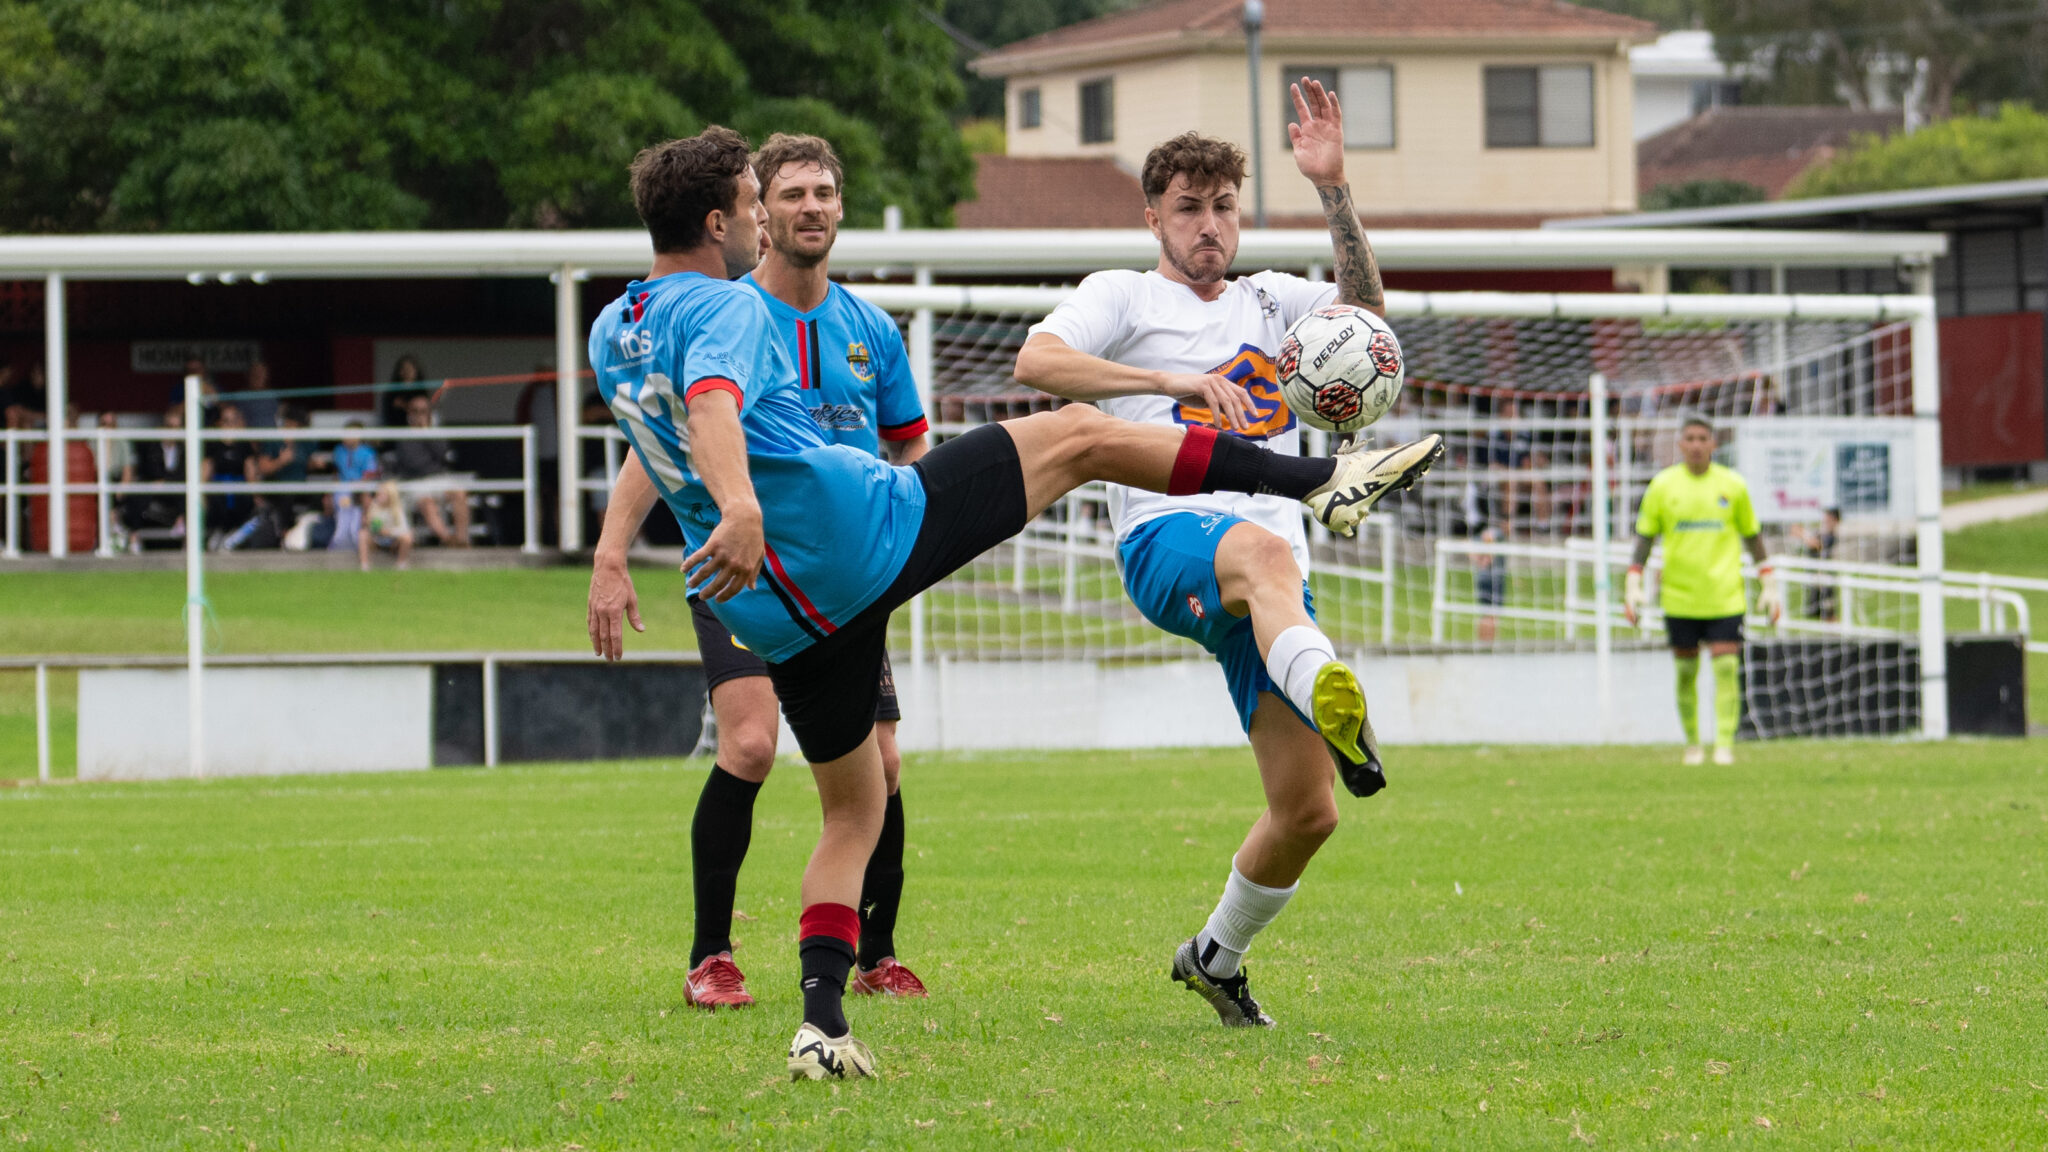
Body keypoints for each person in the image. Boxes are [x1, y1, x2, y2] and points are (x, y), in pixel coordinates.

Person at [582, 126, 1443, 1080]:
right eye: (755, 201)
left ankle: (821, 1024)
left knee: (853, 810)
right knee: (1079, 435)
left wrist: (635, 543)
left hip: (780, 613)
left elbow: (666, 429)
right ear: (720, 219)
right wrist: (743, 505)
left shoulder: (613, 326)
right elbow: (709, 406)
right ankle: (1318, 479)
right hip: (858, 534)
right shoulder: (733, 311)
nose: (762, 217)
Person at [1013, 85, 1397, 1031]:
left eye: (1223, 206)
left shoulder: (1273, 299)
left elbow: (1370, 318)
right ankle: (1326, 684)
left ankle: (1215, 956)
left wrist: (1334, 186)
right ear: (1154, 216)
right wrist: (1164, 378)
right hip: (1169, 541)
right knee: (1266, 546)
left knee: (1308, 815)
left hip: (1269, 585)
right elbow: (1037, 361)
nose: (1209, 225)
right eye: (1189, 207)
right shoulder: (1124, 295)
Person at [590, 133, 932, 1013]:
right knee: (749, 743)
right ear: (758, 216)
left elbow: (908, 443)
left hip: (845, 573)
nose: (809, 207)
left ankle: (876, 954)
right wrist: (612, 548)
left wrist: (897, 525)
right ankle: (712, 955)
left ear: (840, 207)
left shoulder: (870, 331)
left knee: (883, 764)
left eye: (824, 192)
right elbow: (669, 440)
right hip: (738, 564)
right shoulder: (718, 309)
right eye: (789, 195)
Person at [1623, 417, 1782, 766]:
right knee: (1685, 672)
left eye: (1703, 439)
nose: (1696, 445)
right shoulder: (1663, 486)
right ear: (1680, 445)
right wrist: (1633, 581)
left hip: (1724, 595)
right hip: (1680, 596)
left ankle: (1724, 745)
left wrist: (1768, 583)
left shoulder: (1733, 485)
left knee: (1726, 667)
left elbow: (1752, 536)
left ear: (1714, 444)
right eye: (1690, 438)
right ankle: (1694, 744)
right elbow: (1645, 537)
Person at [390, 393, 471, 547]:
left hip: (437, 479)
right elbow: (413, 464)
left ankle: (462, 539)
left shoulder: (435, 433)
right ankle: (448, 540)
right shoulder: (403, 436)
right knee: (427, 503)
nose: (420, 415)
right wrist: (433, 463)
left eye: (424, 411)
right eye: (416, 411)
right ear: (409, 413)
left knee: (459, 493)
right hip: (415, 482)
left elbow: (444, 454)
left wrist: (426, 432)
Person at [200, 403, 256, 547]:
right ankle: (218, 533)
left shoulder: (244, 445)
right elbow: (205, 473)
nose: (230, 424)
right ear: (219, 423)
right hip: (219, 490)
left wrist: (255, 495)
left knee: (247, 503)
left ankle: (232, 537)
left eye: (234, 420)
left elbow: (250, 474)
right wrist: (202, 495)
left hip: (239, 489)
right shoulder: (213, 445)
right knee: (216, 500)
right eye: (226, 420)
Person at [1791, 507, 1840, 621]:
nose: (1825, 519)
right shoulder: (1820, 532)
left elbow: (1814, 543)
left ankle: (1832, 624)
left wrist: (1802, 533)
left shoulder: (1830, 536)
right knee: (1813, 612)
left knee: (1828, 610)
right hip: (1815, 575)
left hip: (1823, 575)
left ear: (1834, 520)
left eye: (1828, 517)